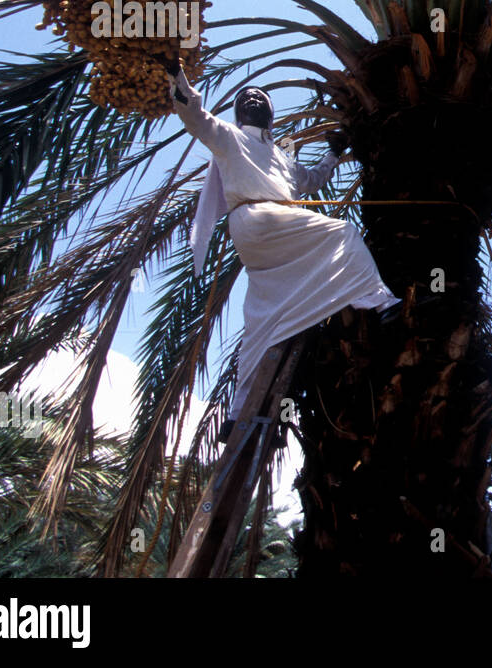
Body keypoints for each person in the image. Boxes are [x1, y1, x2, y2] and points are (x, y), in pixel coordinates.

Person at [154, 53, 401, 441]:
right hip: (259, 219)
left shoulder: (282, 158)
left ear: (270, 117)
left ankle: (236, 416)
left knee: (259, 322)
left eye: (260, 99)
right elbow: (195, 118)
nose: (252, 99)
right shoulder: (228, 137)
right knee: (342, 235)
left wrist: (334, 153)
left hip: (261, 242)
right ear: (239, 115)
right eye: (245, 99)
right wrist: (176, 75)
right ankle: (380, 302)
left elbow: (313, 181)